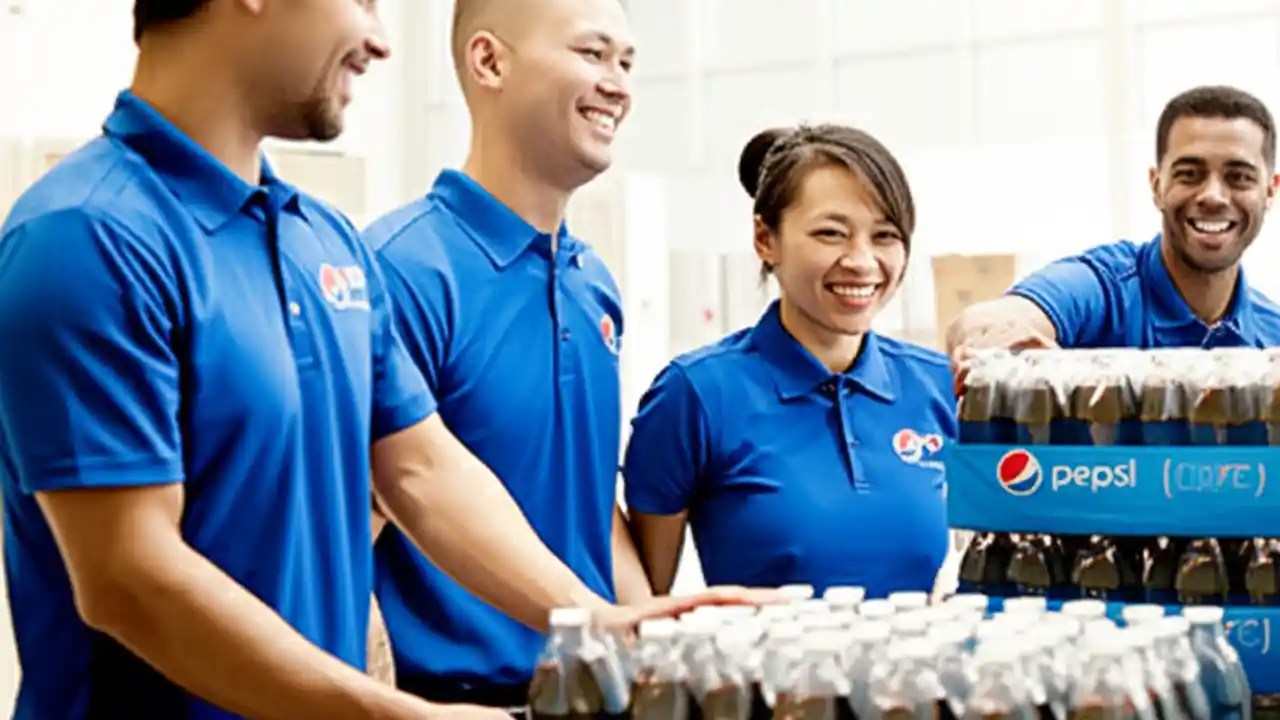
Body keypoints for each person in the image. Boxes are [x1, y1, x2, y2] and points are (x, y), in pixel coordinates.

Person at [0, 3, 757, 718]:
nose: (380, 40)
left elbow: (422, 469)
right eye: (361, 1)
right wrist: (393, 711)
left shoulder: (323, 243)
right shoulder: (87, 236)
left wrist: (601, 621)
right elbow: (129, 578)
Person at [363, 0, 653, 709]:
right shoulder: (399, 272)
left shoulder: (594, 285)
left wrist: (648, 646)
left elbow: (585, 500)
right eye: (592, 55)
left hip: (592, 694)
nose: (617, 83)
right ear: (489, 61)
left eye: (626, 62)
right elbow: (355, 524)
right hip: (451, 701)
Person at [621, 124, 956, 599]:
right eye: (831, 234)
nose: (862, 261)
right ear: (765, 239)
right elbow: (643, 606)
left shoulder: (937, 386)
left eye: (885, 236)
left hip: (914, 673)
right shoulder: (695, 395)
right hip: (758, 673)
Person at [947, 84, 1280, 357]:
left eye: (1239, 177)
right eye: (1189, 174)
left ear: (1270, 191)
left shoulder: (1272, 339)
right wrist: (988, 340)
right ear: (1157, 186)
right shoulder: (1101, 290)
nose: (1213, 196)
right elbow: (991, 319)